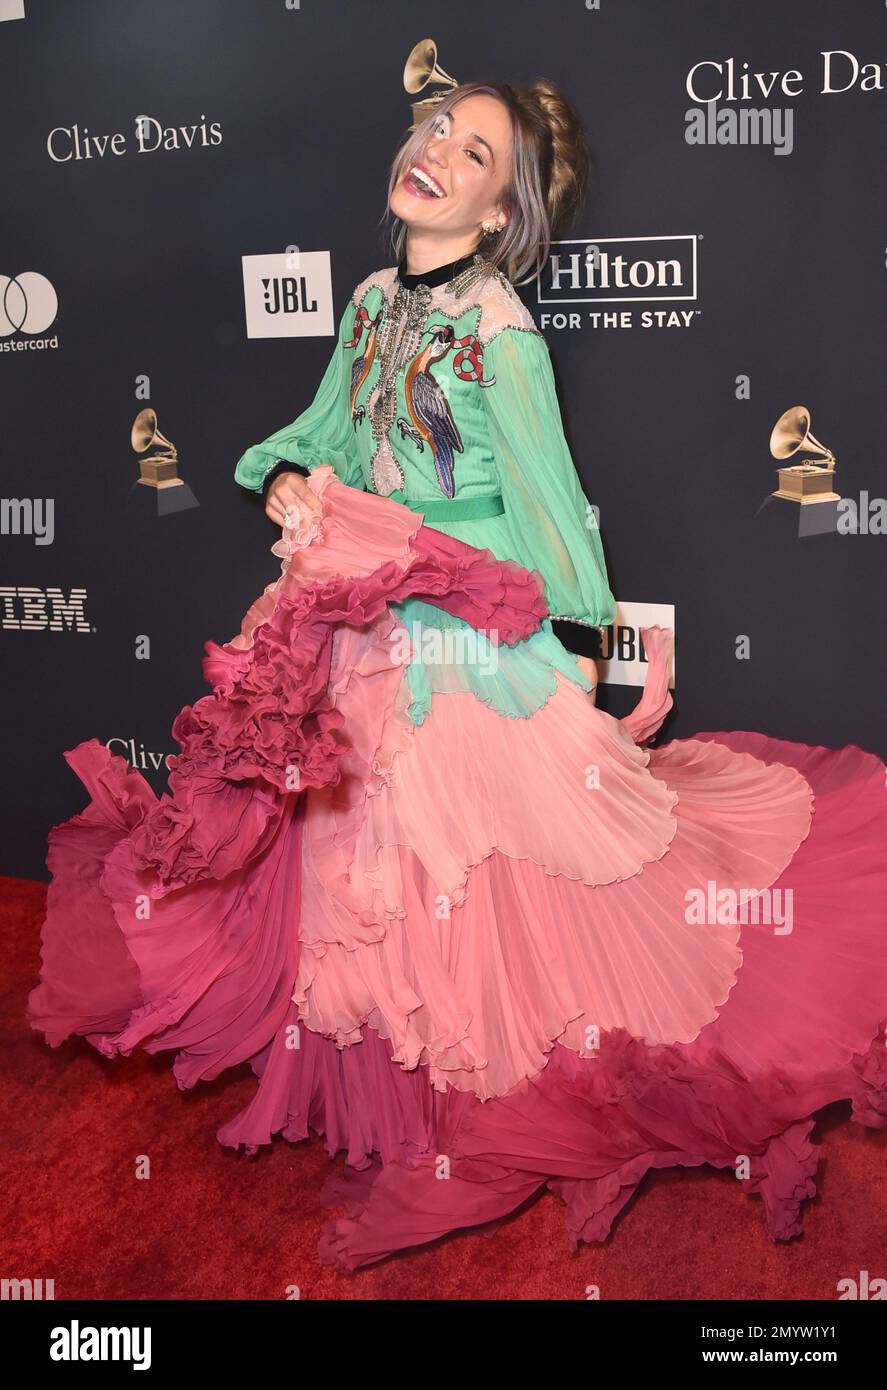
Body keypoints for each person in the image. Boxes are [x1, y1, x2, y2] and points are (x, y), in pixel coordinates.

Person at [29, 80, 887, 1273]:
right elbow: (330, 429)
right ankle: (400, 1083)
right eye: (437, 130)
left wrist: (575, 662)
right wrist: (284, 475)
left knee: (468, 871)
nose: (437, 153)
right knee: (354, 865)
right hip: (357, 609)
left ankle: (479, 1099)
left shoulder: (500, 330)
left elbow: (550, 507)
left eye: (472, 152)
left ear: (495, 214)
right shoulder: (374, 299)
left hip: (464, 629)